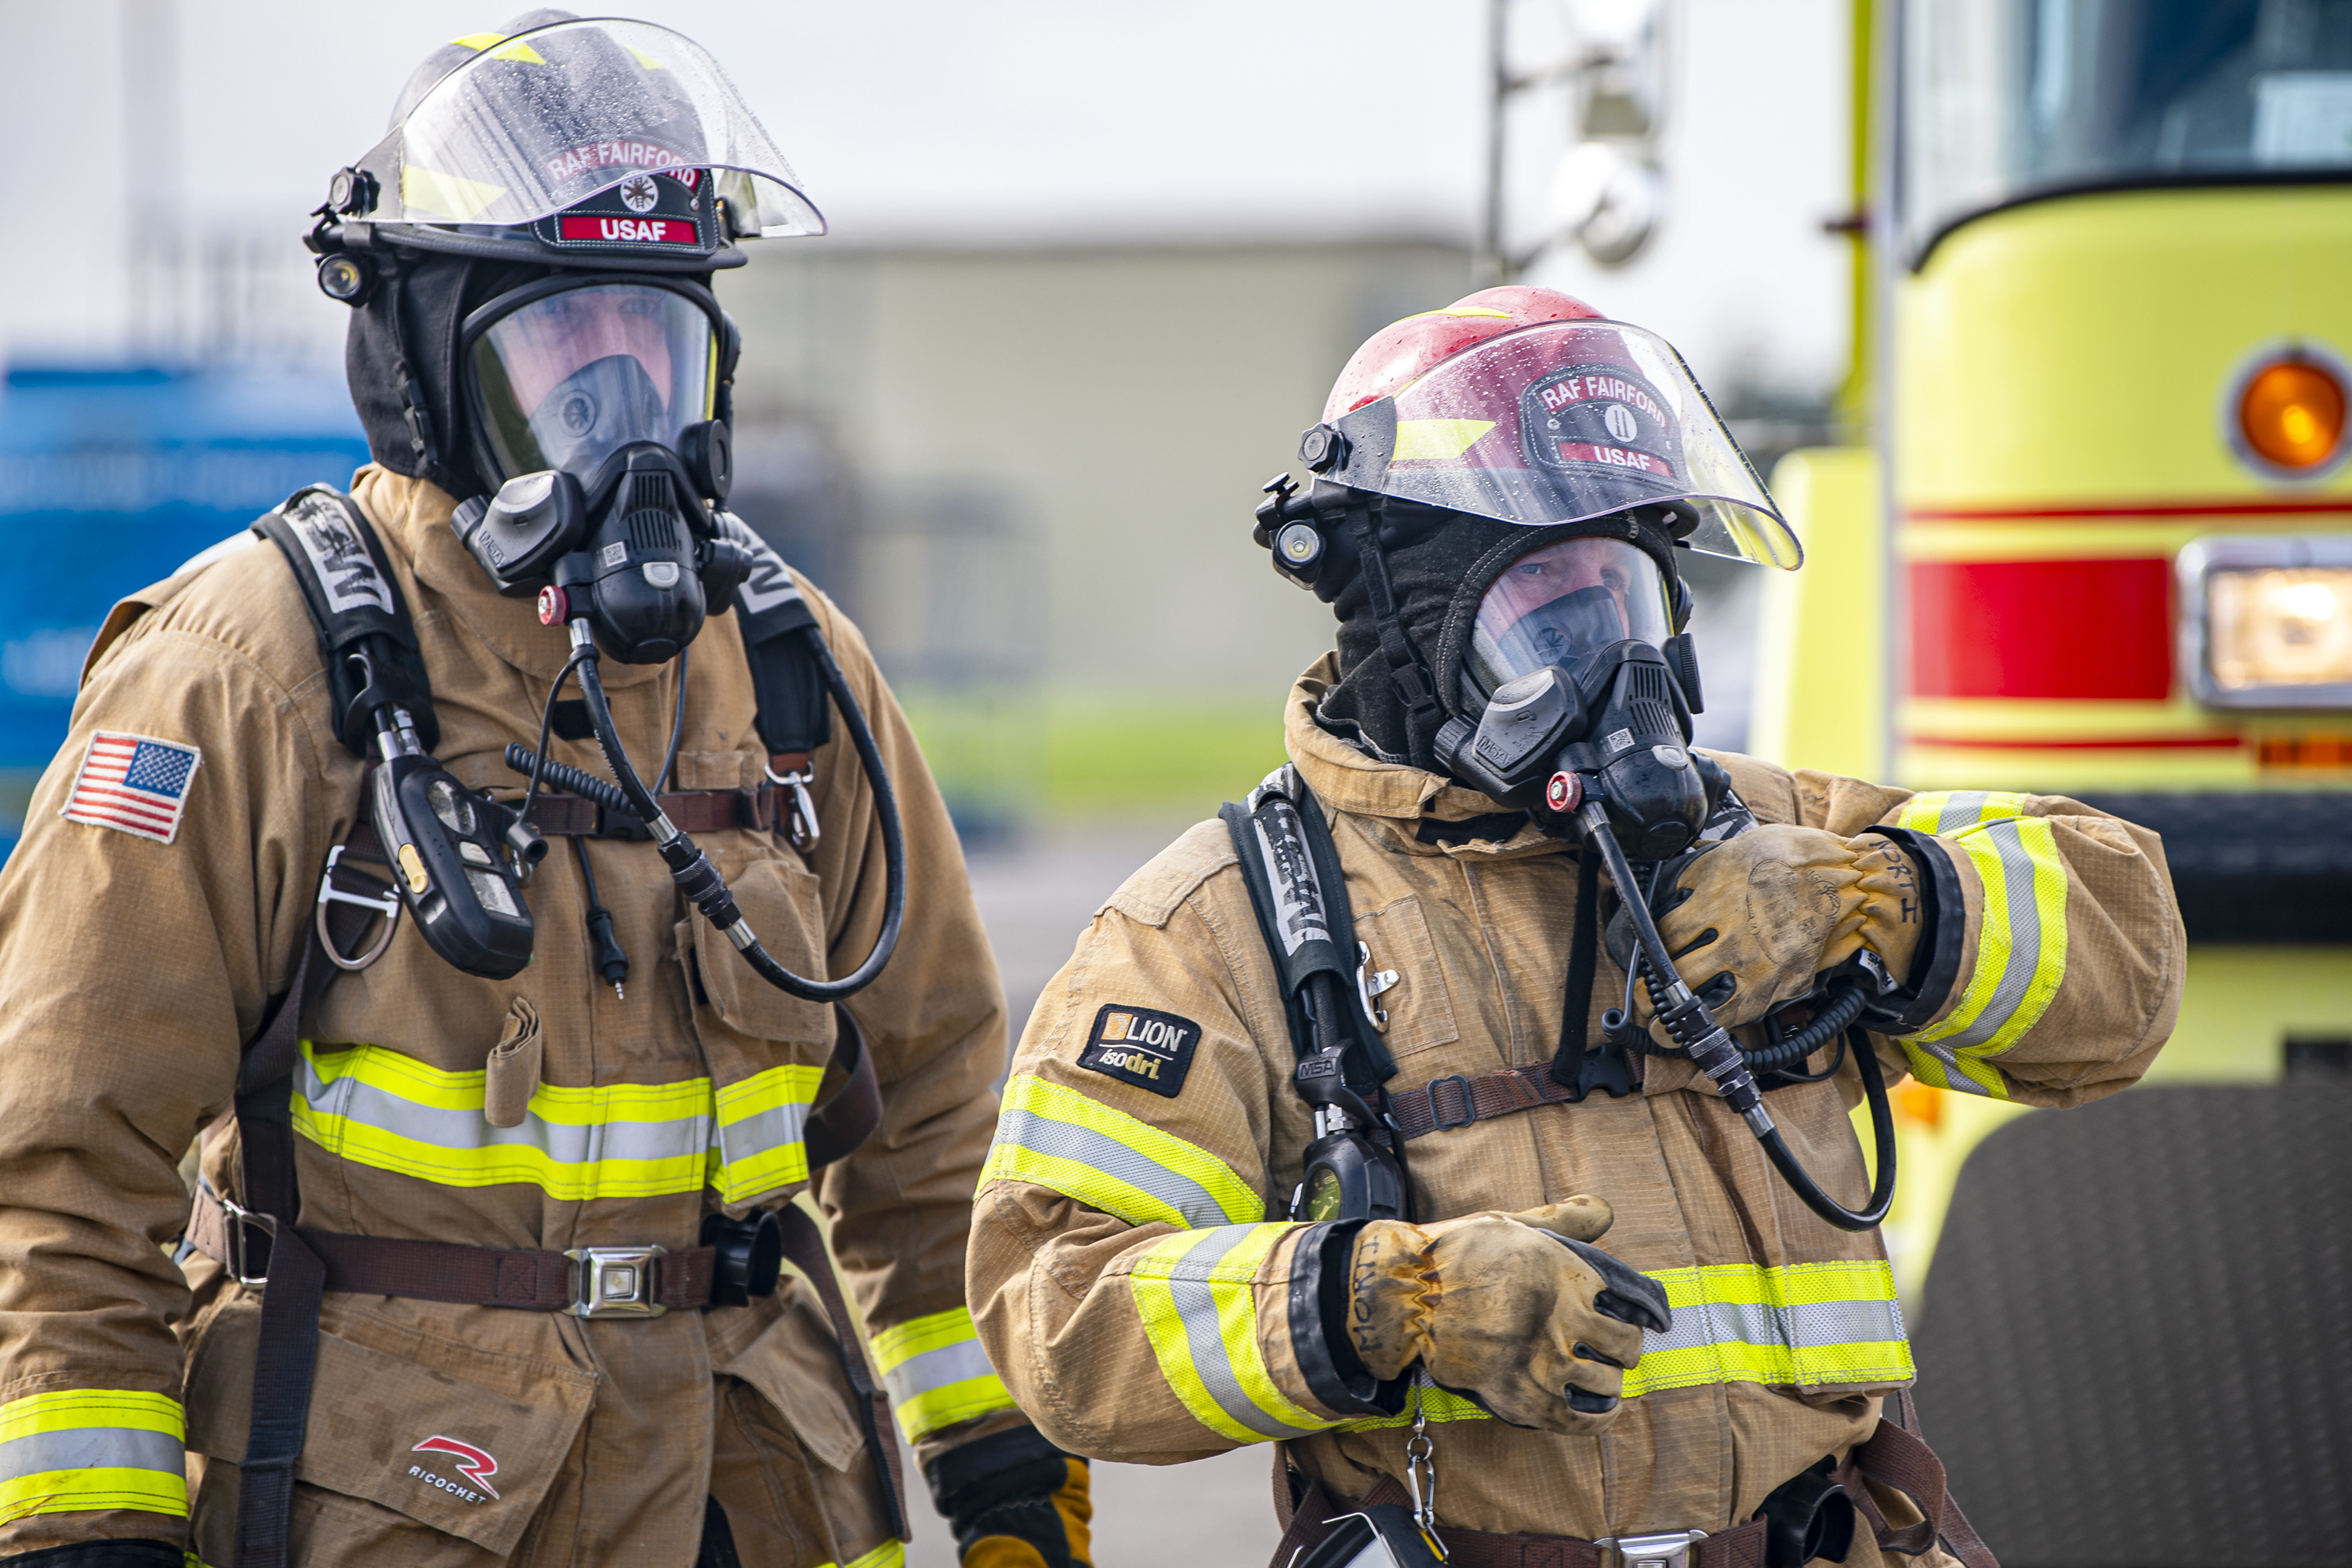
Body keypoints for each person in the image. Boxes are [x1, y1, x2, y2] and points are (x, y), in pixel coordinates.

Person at [0, 16, 1088, 1568]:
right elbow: (59, 1162)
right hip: (399, 1503)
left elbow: (933, 1132)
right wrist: (86, 1535)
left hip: (753, 1495)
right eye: (560, 367)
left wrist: (1005, 1484)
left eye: (655, 359)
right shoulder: (241, 669)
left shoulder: (789, 674)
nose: (620, 431)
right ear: (430, 371)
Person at [967, 286, 2184, 1568]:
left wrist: (1866, 897)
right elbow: (1059, 1312)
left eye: (1629, 599)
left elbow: (2129, 967)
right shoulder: (1220, 926)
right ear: (1408, 622)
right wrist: (1390, 1302)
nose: (1611, 665)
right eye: (1547, 608)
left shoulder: (1776, 834)